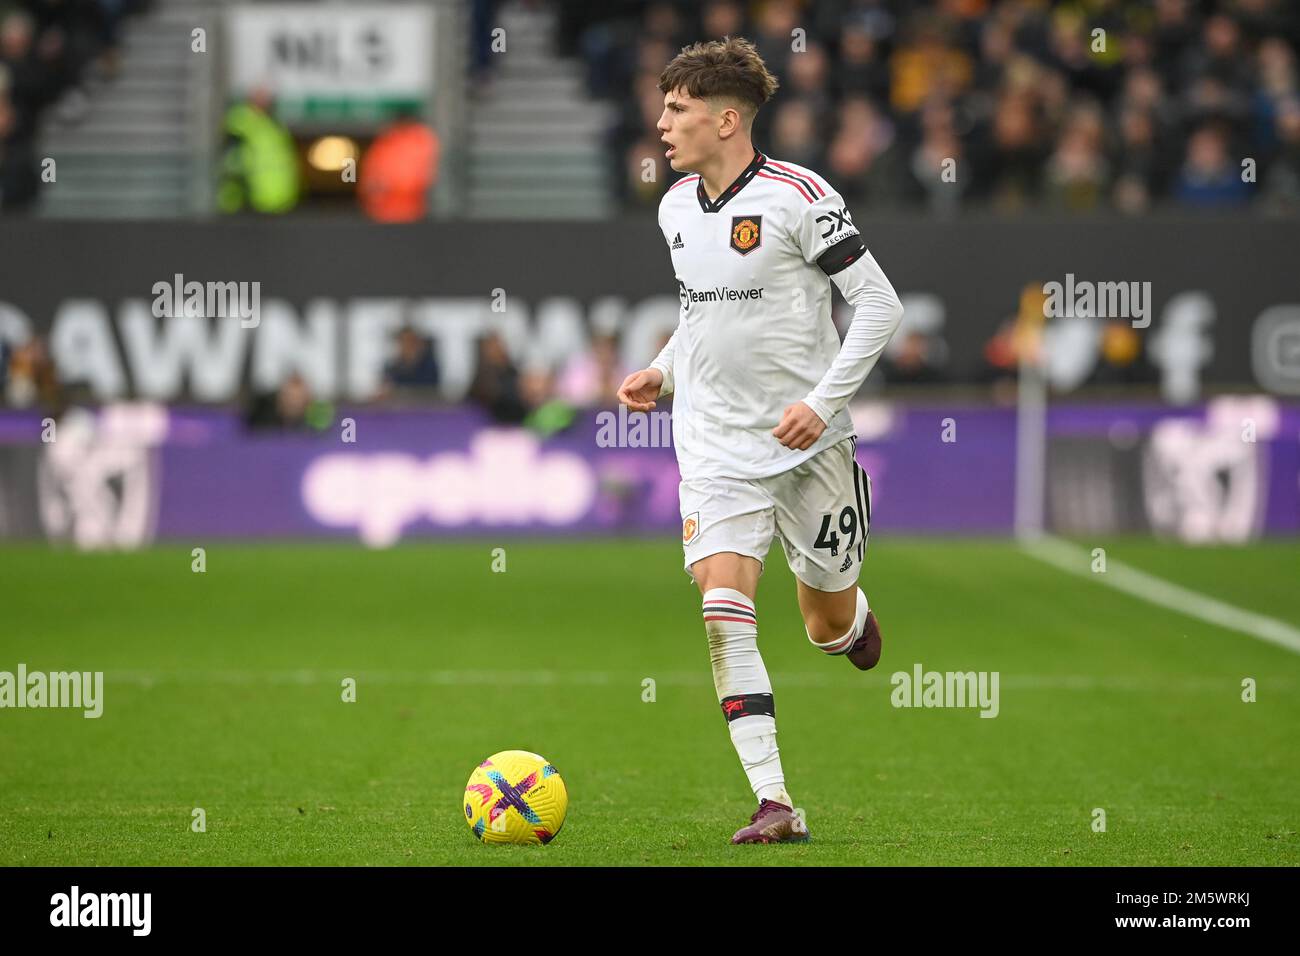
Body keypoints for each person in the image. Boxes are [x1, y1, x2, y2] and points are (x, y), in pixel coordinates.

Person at [616, 37, 904, 846]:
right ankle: (774, 800)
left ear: (726, 120)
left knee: (825, 627)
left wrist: (822, 402)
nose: (662, 124)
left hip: (809, 446)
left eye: (678, 109)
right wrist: (663, 370)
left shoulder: (800, 198)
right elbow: (701, 316)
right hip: (713, 446)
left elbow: (881, 306)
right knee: (722, 608)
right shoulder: (675, 206)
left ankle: (849, 618)